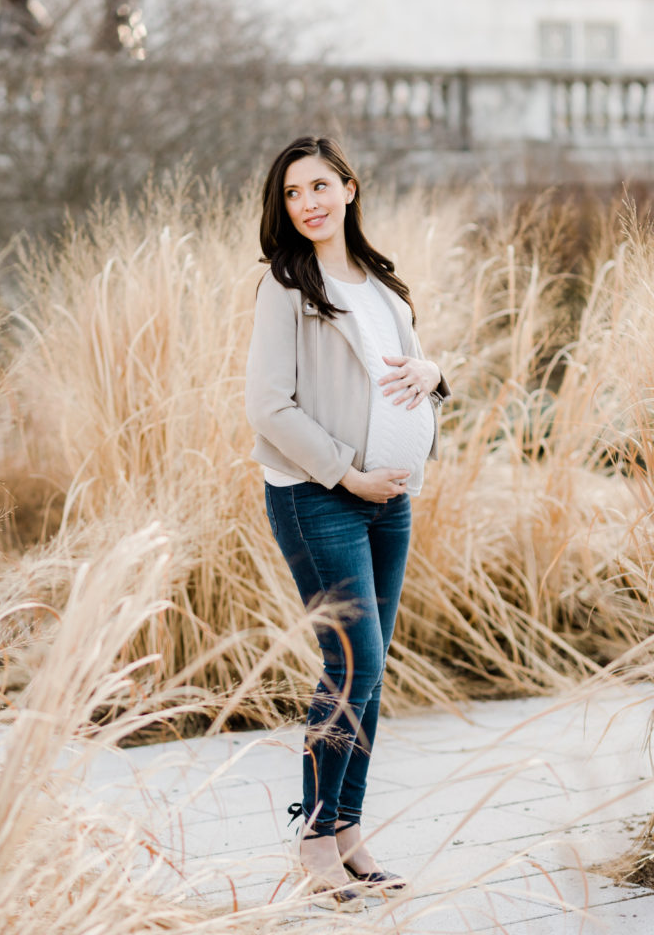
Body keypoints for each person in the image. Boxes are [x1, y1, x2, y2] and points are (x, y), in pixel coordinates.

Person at [245, 136, 450, 912]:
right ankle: (313, 839)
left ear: (350, 189)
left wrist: (434, 373)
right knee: (351, 665)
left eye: (320, 186)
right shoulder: (285, 285)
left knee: (372, 667)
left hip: (391, 497)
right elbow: (267, 405)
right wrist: (346, 471)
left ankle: (348, 834)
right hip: (317, 494)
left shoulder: (382, 283)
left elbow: (415, 370)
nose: (308, 203)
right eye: (293, 193)